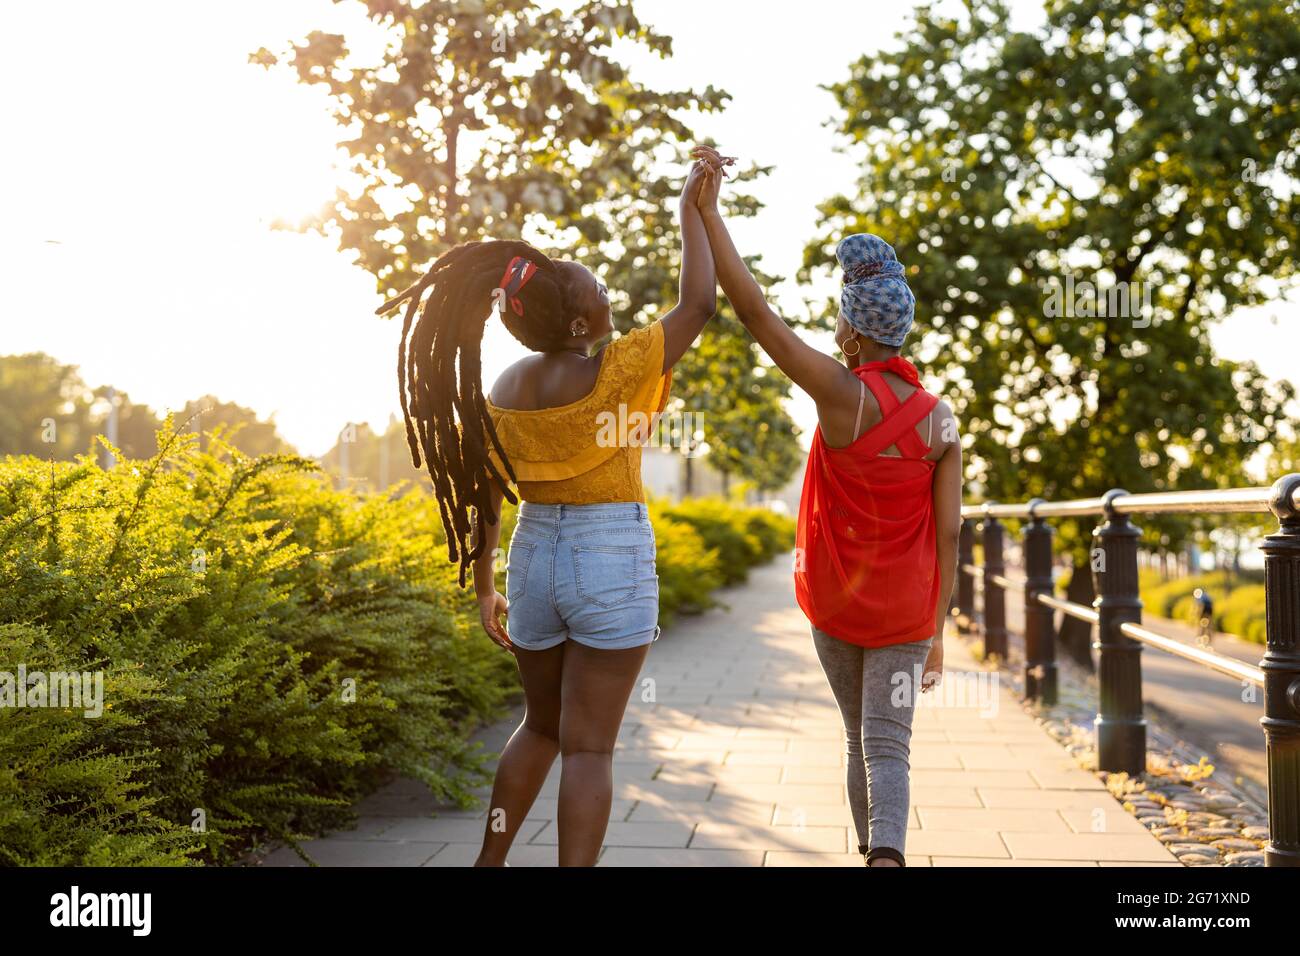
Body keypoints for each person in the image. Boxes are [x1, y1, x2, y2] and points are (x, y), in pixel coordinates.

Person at [377, 155, 717, 866]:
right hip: (608, 557)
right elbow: (700, 305)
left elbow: (486, 492)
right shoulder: (616, 368)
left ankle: (488, 864)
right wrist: (692, 208)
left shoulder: (499, 387)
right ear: (577, 320)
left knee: (539, 728)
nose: (606, 287)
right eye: (597, 285)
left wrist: (483, 587)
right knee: (589, 747)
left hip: (532, 558)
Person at [689, 147, 961, 867]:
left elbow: (755, 314)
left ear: (853, 331)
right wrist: (937, 629)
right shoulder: (943, 422)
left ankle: (873, 852)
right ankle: (888, 857)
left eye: (839, 323)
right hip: (907, 610)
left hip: (841, 602)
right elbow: (953, 530)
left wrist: (710, 214)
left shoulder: (842, 395)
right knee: (889, 745)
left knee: (856, 739)